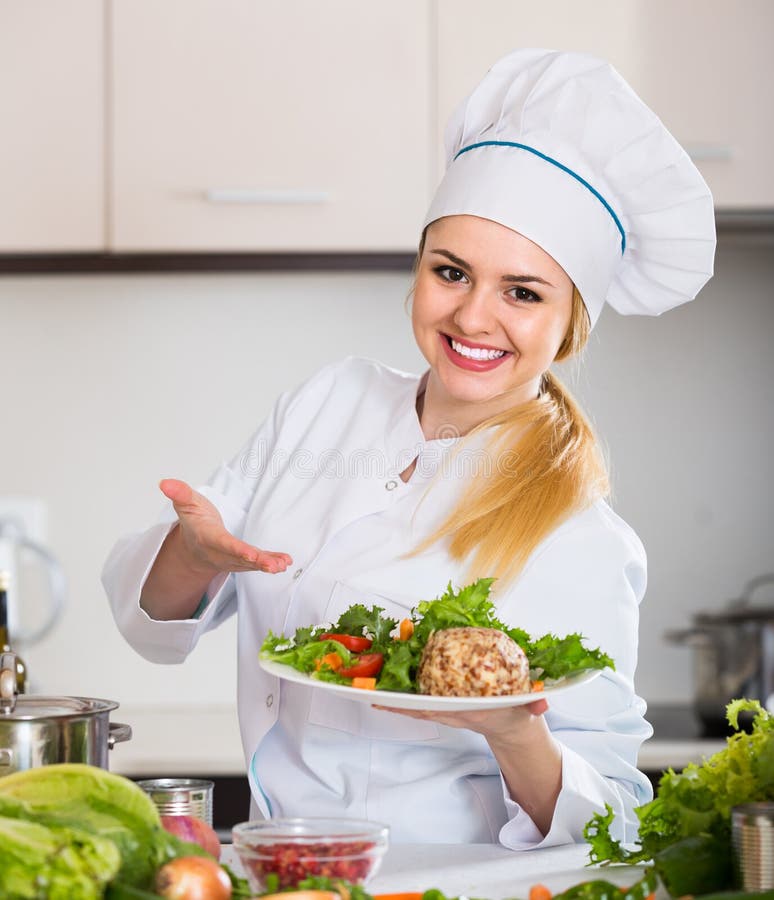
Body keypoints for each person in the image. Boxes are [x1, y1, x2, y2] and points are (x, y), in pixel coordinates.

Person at [103, 48, 716, 849]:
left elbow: (616, 821)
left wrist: (513, 732)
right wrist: (195, 552)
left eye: (523, 292)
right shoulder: (332, 403)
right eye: (451, 272)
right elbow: (154, 621)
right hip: (285, 864)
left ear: (569, 324)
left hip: (448, 884)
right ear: (419, 268)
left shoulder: (580, 536)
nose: (472, 317)